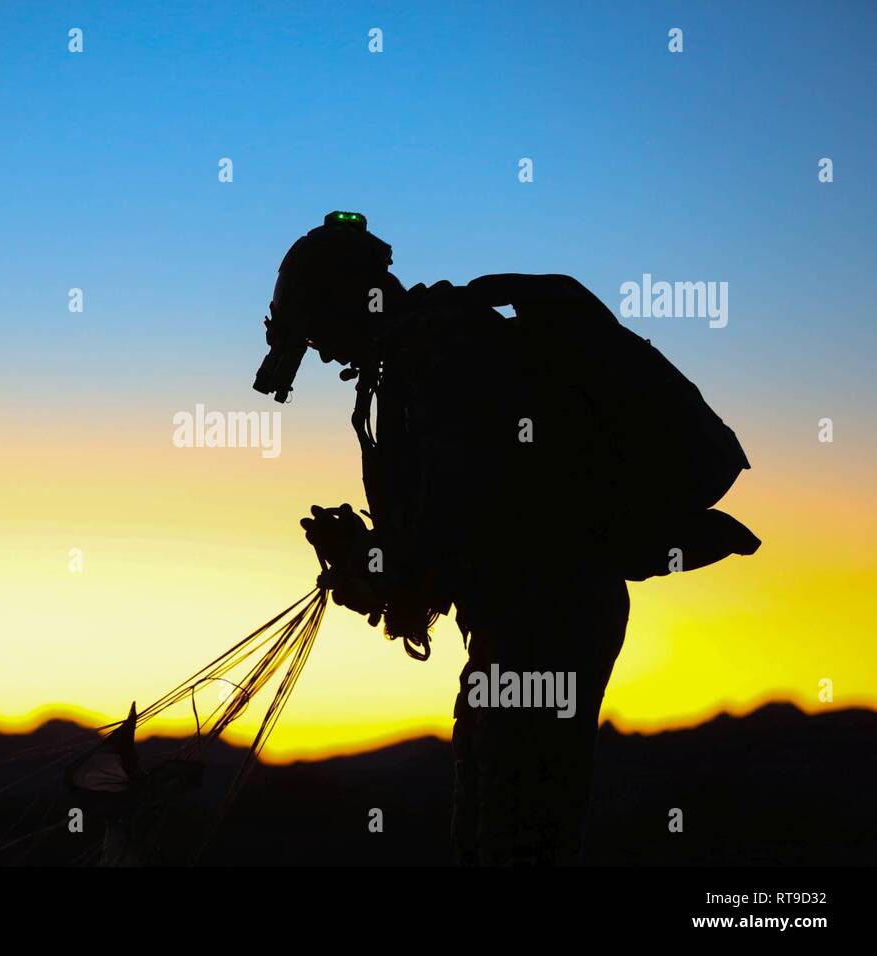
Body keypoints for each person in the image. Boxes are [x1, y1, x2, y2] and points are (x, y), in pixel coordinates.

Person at [253, 211, 760, 865]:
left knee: (515, 839)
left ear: (344, 302)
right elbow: (451, 537)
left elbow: (460, 526)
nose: (320, 352)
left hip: (544, 622)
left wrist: (371, 564)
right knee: (499, 833)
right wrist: (371, 564)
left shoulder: (440, 350)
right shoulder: (424, 352)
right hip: (532, 619)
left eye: (317, 331)